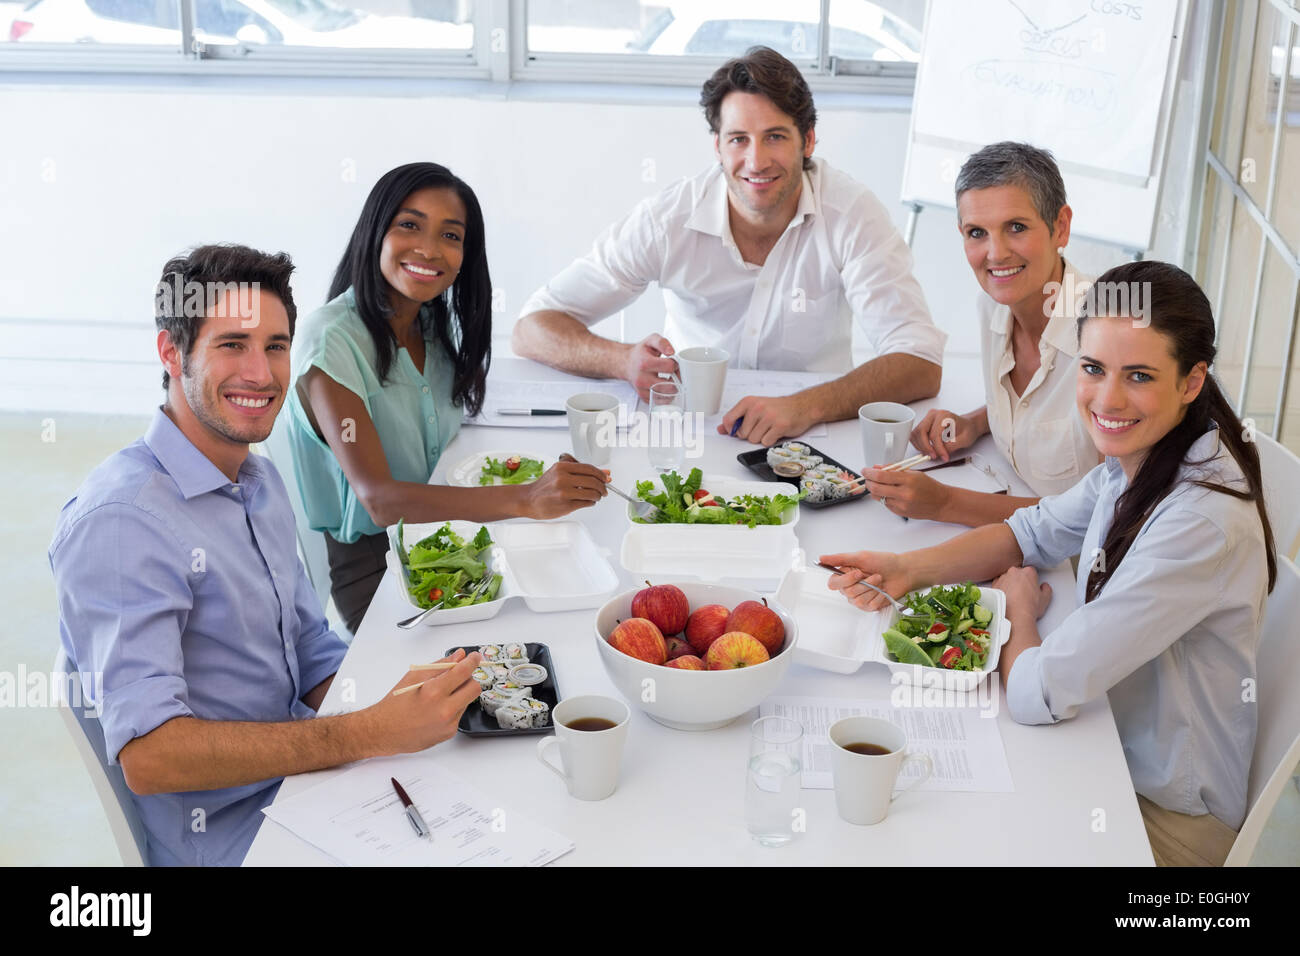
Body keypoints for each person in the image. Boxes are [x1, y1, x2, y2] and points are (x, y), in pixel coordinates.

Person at [824, 261, 1276, 867]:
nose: (1108, 399)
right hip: (1105, 749)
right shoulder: (1144, 451)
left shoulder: (1198, 521)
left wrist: (1019, 613)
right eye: (1093, 369)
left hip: (1164, 822)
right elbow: (1032, 531)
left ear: (1192, 381)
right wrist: (907, 569)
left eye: (1139, 375)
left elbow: (1037, 692)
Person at [49, 245, 484, 866]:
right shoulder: (122, 523)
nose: (262, 374)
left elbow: (308, 650)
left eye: (276, 346)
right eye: (233, 345)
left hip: (315, 790)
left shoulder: (256, 478)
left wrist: (399, 701)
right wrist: (366, 733)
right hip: (240, 840)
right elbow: (150, 757)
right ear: (172, 354)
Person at [511, 46, 945, 447]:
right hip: (689, 435)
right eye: (739, 139)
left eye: (775, 136)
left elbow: (920, 360)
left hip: (814, 436)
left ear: (808, 141)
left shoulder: (852, 213)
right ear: (717, 147)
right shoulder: (668, 218)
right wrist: (621, 360)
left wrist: (806, 406)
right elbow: (531, 329)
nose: (756, 161)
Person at [286, 163, 609, 633]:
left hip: (451, 536)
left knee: (580, 601)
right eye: (410, 225)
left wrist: (536, 486)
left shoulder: (431, 323)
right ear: (375, 230)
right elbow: (380, 502)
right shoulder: (333, 338)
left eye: (451, 236)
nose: (430, 249)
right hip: (379, 569)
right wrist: (524, 498)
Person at [861, 142, 1102, 525]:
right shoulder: (993, 305)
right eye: (977, 233)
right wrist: (974, 424)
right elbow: (1038, 407)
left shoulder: (1110, 335)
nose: (996, 253)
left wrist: (946, 504)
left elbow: (1107, 514)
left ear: (1061, 227)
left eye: (1017, 227)